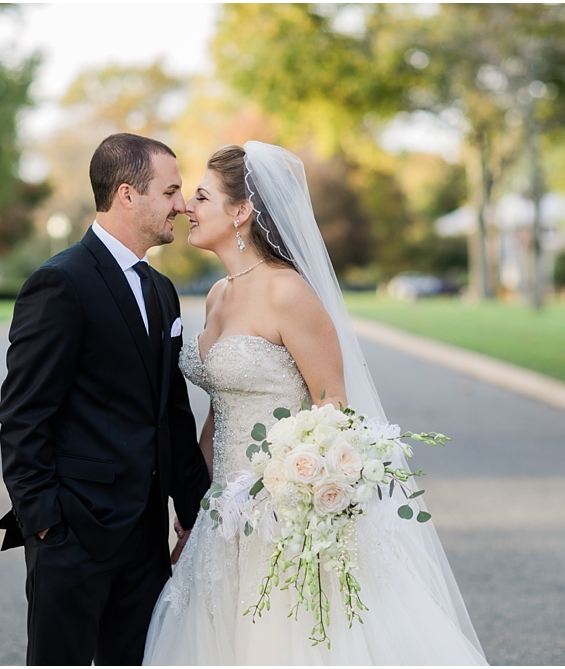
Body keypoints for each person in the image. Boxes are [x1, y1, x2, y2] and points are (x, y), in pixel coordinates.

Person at [143, 142, 487, 665]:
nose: (188, 207)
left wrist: (301, 495)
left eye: (202, 197)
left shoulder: (288, 293)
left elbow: (333, 407)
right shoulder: (217, 295)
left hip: (282, 516)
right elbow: (220, 410)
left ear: (242, 210)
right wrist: (195, 503)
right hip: (221, 517)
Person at [0, 133, 210, 666]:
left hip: (145, 540)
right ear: (127, 195)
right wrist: (45, 523)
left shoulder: (161, 291)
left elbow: (172, 414)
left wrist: (196, 513)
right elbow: (23, 415)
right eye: (171, 191)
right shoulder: (60, 283)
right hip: (73, 536)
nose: (182, 205)